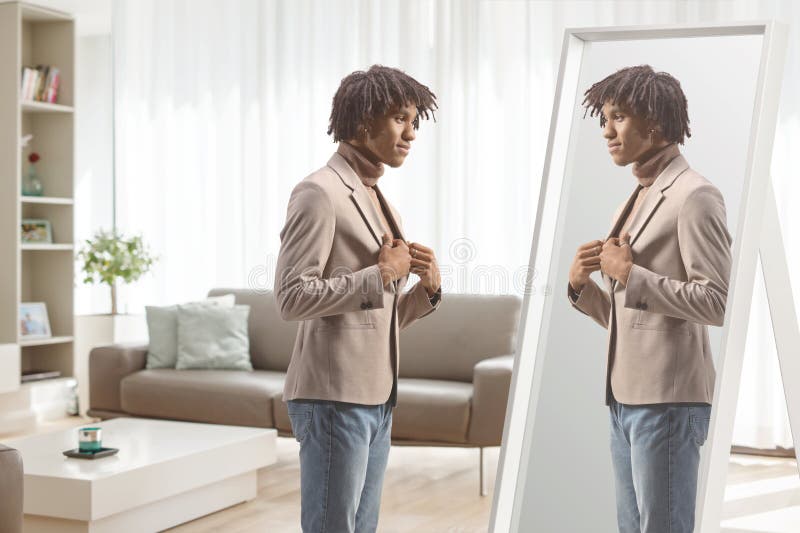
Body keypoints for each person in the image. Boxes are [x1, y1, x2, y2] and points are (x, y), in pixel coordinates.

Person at [274, 65, 442, 533]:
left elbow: (375, 318)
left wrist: (427, 292)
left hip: (376, 396)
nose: (410, 133)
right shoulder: (318, 193)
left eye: (414, 122)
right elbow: (290, 298)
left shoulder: (379, 200)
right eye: (400, 119)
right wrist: (380, 274)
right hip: (333, 397)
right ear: (364, 121)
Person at [567, 65, 732, 533]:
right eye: (603, 119)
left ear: (654, 123)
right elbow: (635, 319)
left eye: (617, 117)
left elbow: (716, 301)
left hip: (669, 402)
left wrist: (630, 274)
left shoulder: (696, 195)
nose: (607, 131)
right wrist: (583, 289)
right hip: (624, 399)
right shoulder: (635, 198)